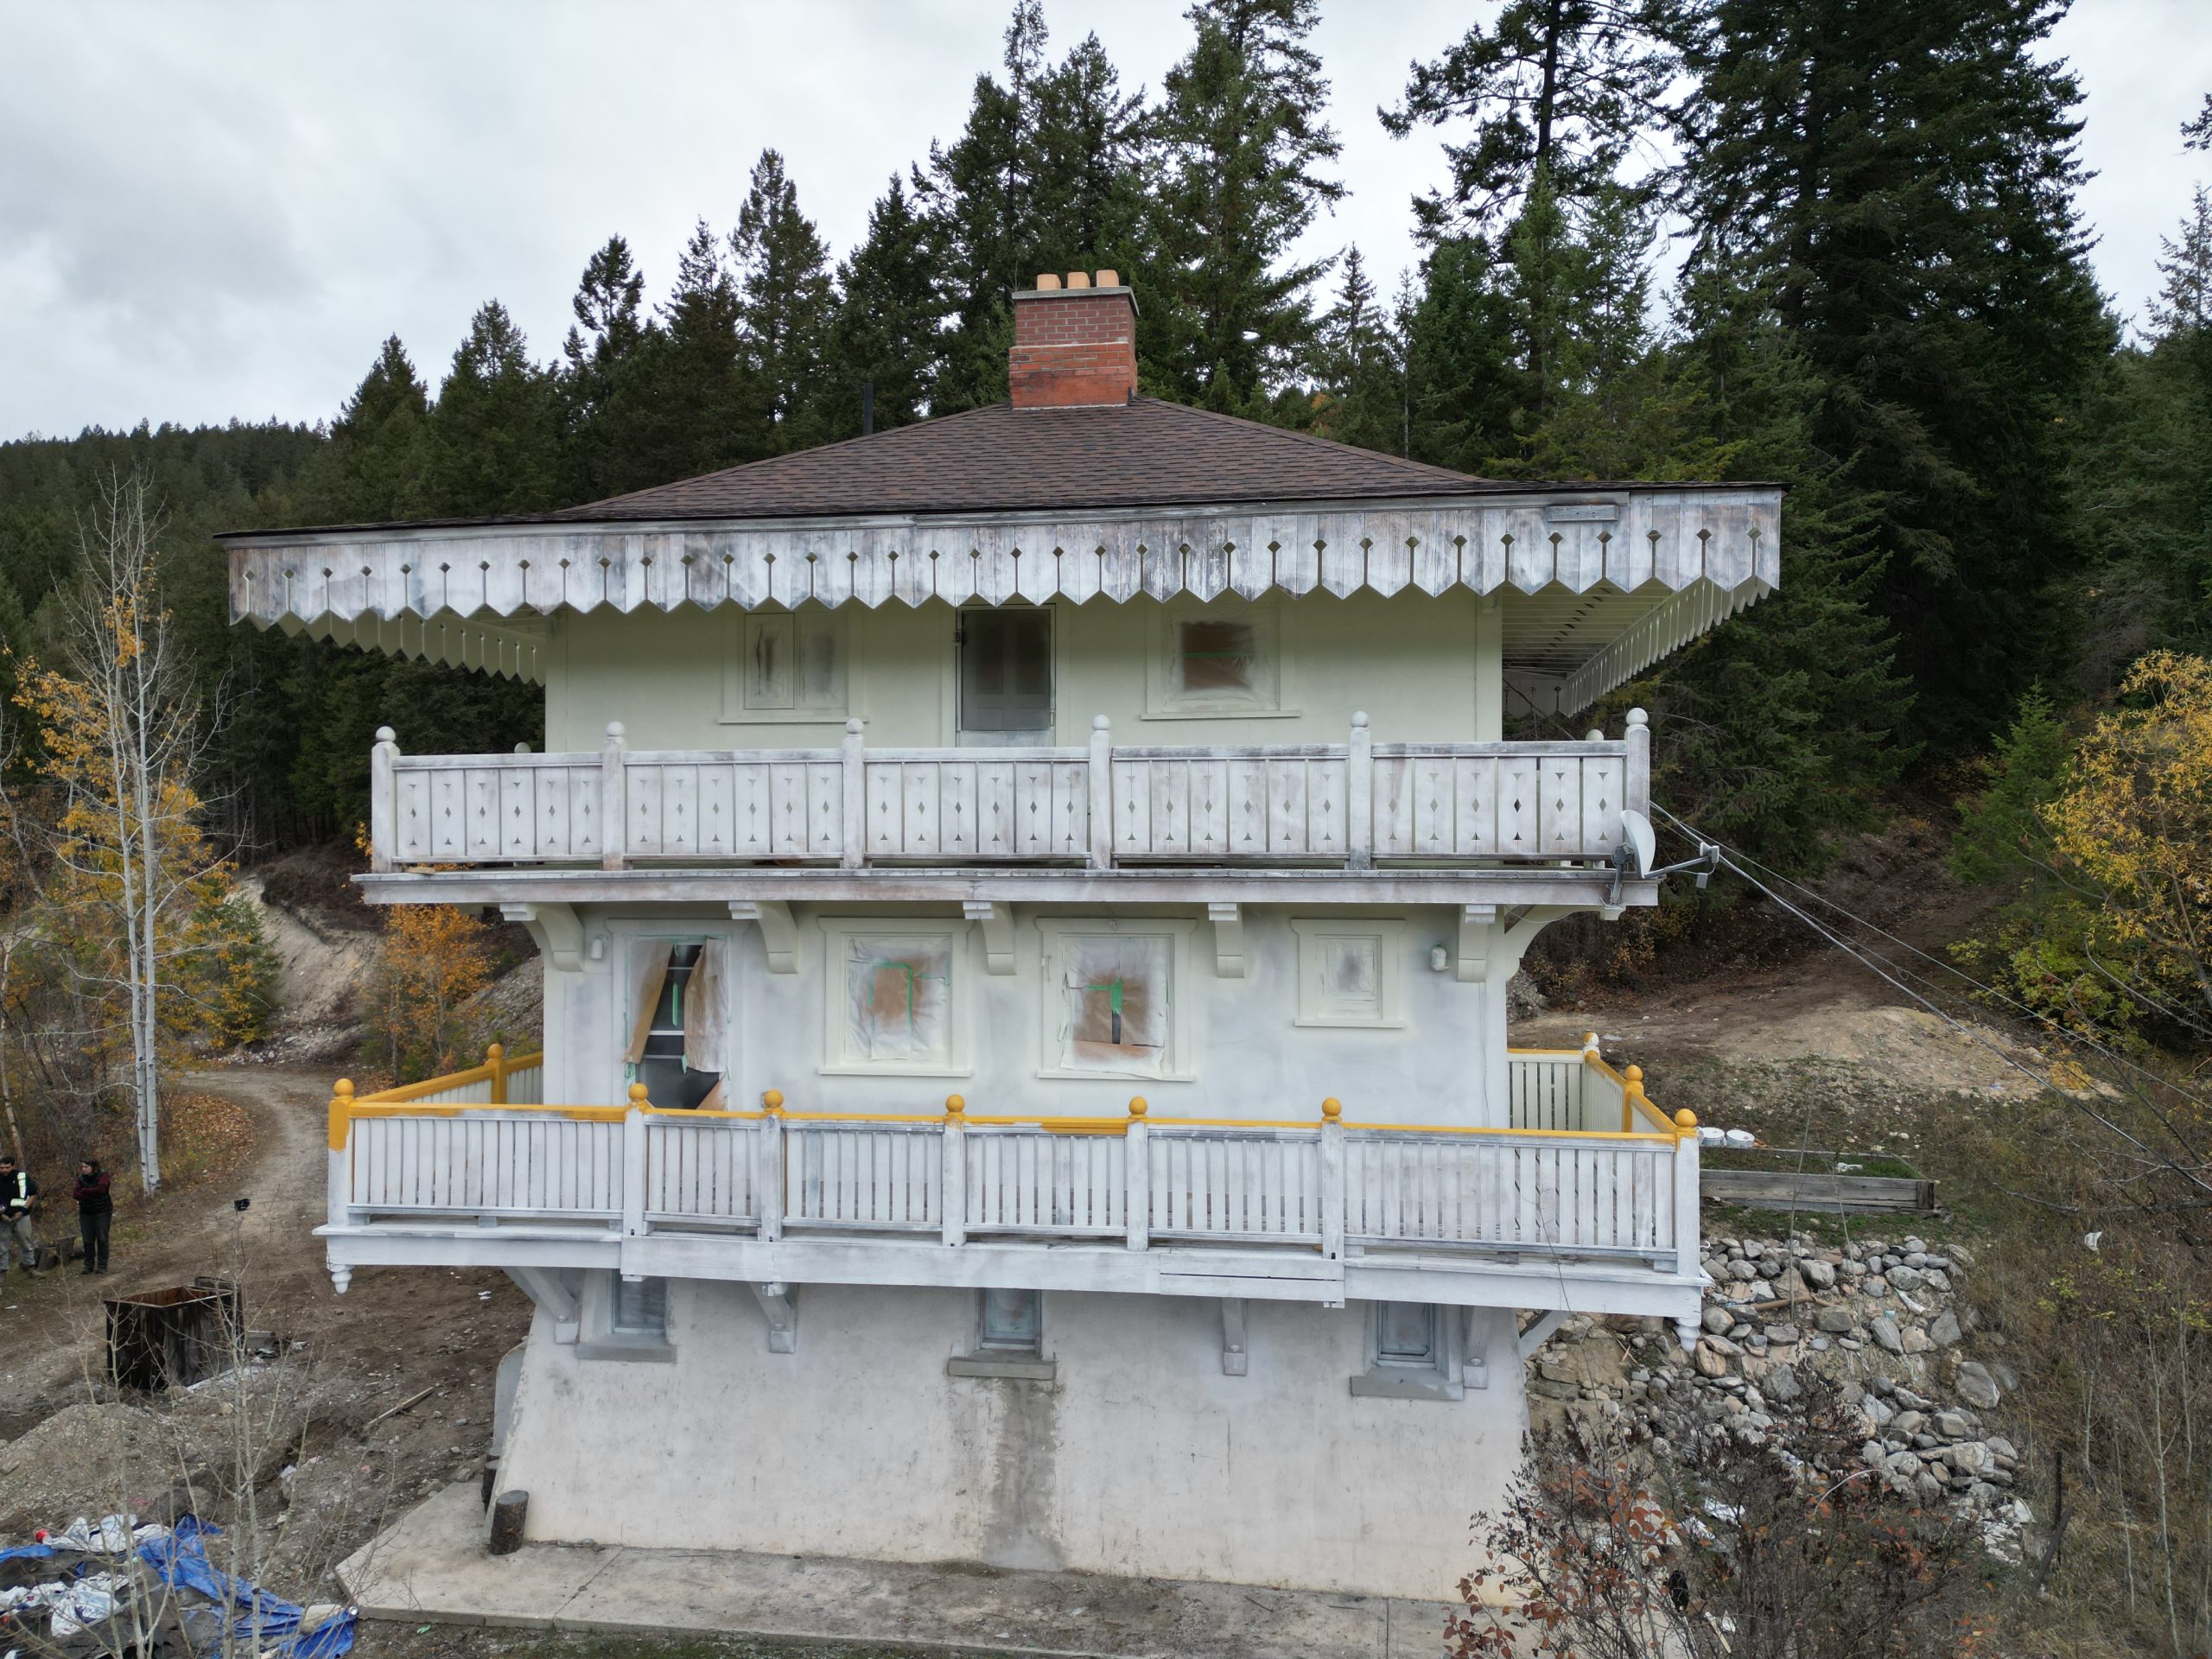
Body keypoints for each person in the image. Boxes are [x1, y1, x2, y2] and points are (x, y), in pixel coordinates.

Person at [0, 1154, 40, 1276]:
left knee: (26, 1242)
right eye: (1, 1168)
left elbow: (33, 1193)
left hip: (21, 1216)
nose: (4, 1170)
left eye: (7, 1167)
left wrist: (23, 1211)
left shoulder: (22, 1176)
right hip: (2, 1218)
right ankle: (3, 1271)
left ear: (13, 1166)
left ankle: (29, 1267)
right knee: (2, 1246)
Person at [73, 1159, 112, 1274]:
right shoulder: (80, 1179)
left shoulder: (103, 1176)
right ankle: (88, 1265)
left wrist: (85, 1191)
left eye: (86, 1167)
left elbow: (101, 1190)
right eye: (83, 1167)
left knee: (102, 1238)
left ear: (93, 1167)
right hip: (86, 1212)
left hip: (102, 1211)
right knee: (87, 1240)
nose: (84, 1169)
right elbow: (75, 1194)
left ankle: (102, 1265)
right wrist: (90, 1193)